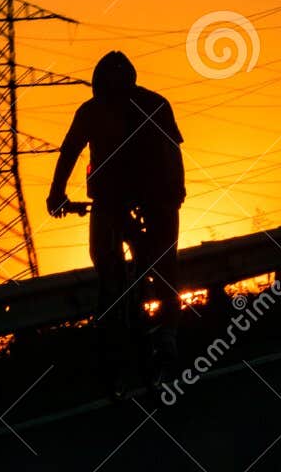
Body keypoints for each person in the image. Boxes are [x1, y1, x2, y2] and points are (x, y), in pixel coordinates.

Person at [47, 51, 185, 385]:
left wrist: (56, 195)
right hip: (143, 197)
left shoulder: (95, 110)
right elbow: (175, 152)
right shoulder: (154, 103)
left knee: (121, 260)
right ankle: (166, 332)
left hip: (134, 197)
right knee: (162, 263)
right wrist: (176, 194)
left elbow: (69, 153)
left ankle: (146, 326)